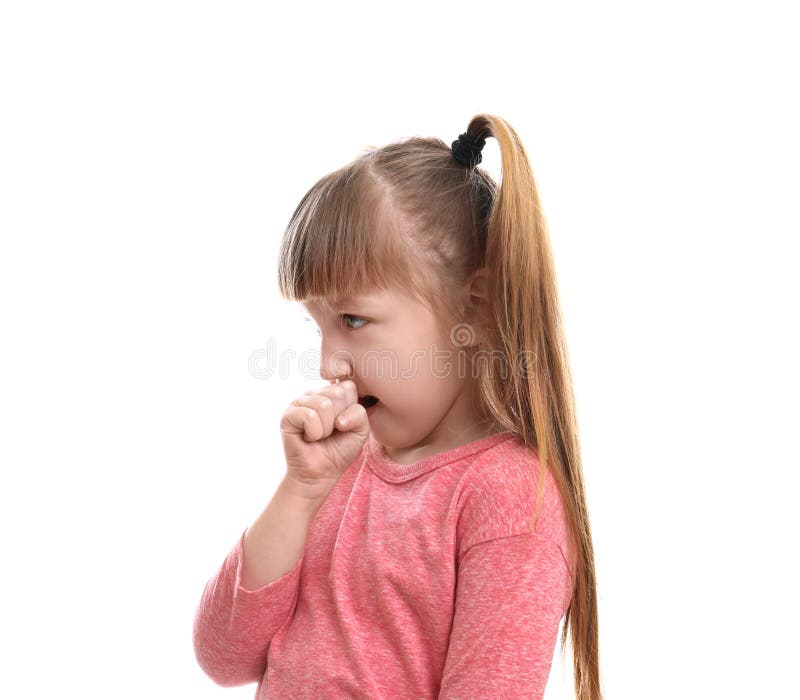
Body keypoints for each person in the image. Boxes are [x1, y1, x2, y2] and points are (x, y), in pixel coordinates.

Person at [193, 114, 602, 699]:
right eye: (319, 328)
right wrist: (299, 492)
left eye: (353, 320)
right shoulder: (341, 466)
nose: (329, 364)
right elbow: (223, 656)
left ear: (475, 309)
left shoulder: (508, 501)